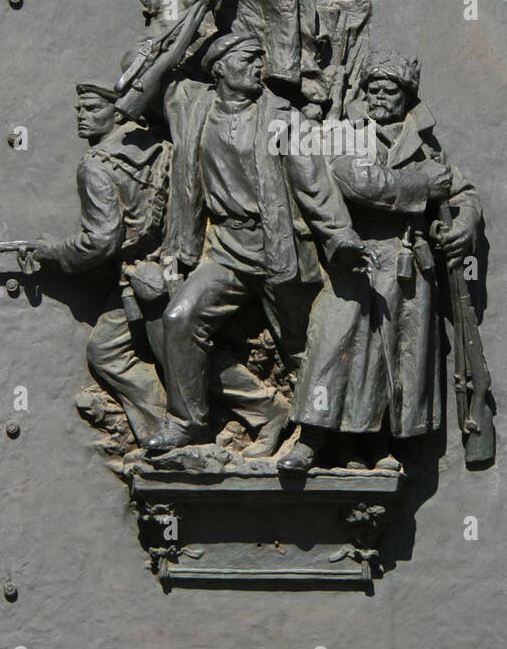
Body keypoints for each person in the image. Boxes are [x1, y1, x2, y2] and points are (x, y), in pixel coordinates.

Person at [153, 31, 372, 453]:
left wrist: (340, 236)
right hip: (225, 248)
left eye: (261, 58)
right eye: (249, 59)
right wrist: (198, 4)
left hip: (278, 246)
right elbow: (155, 71)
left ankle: (321, 438)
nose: (259, 66)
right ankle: (190, 422)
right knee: (179, 319)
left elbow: (315, 184)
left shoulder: (283, 118)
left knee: (299, 348)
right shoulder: (191, 108)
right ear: (218, 67)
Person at [283, 50, 482, 471]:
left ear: (405, 95)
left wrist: (464, 223)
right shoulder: (344, 131)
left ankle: (375, 445)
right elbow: (355, 181)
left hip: (409, 268)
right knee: (333, 343)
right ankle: (312, 438)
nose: (377, 97)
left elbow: (461, 191)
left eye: (388, 90)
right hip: (357, 258)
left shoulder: (424, 142)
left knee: (393, 356)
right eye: (371, 88)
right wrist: (421, 186)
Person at [20, 82, 171, 447]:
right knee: (177, 353)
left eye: (90, 108)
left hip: (141, 279)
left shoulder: (96, 164)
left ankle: (164, 429)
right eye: (78, 110)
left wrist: (49, 252)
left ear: (118, 111)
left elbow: (100, 242)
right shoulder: (160, 147)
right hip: (174, 268)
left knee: (109, 351)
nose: (80, 117)